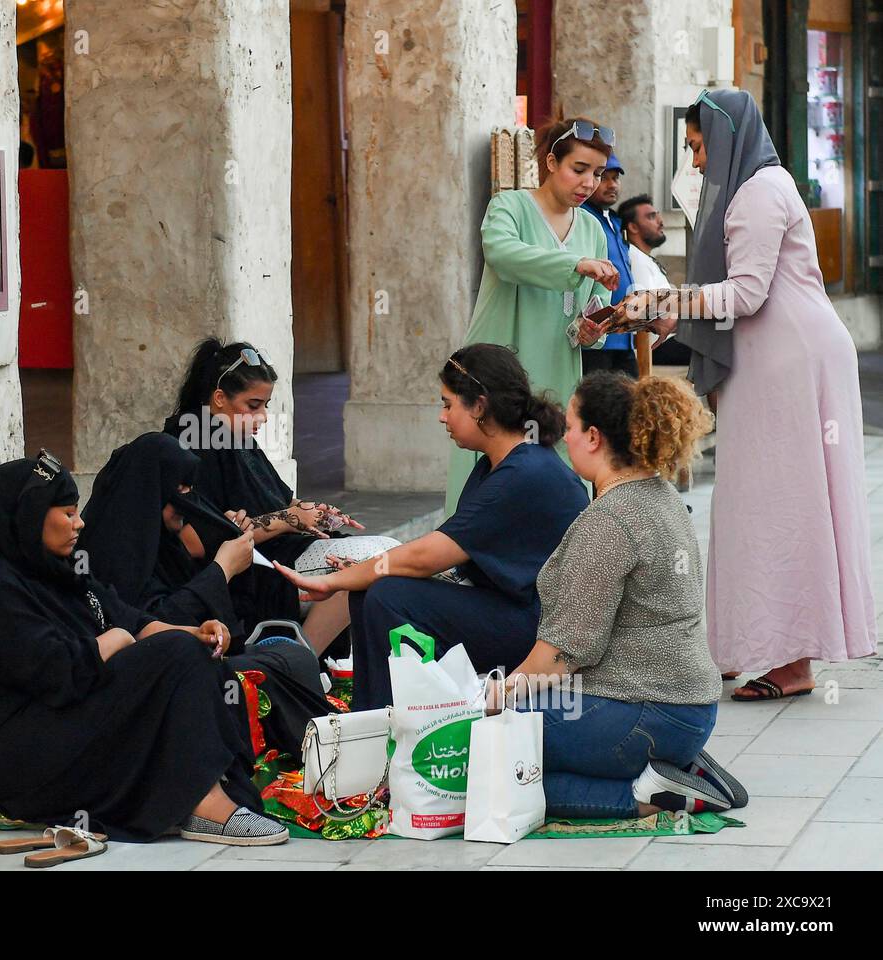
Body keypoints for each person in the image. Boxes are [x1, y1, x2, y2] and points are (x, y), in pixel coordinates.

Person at [630, 89, 876, 700]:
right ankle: (749, 646)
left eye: (698, 146)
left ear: (727, 136)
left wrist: (663, 301)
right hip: (775, 363)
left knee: (782, 505)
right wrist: (671, 314)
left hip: (791, 363)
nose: (696, 162)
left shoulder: (760, 191)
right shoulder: (755, 187)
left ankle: (790, 661)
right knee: (755, 504)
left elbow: (744, 295)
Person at [0, 452, 289, 845]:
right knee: (175, 655)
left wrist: (191, 632)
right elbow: (56, 672)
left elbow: (131, 619)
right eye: (68, 513)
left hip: (67, 719)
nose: (80, 523)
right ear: (27, 516)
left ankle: (205, 787)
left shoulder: (60, 568)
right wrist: (116, 640)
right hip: (25, 754)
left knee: (195, 653)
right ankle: (201, 801)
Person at [276, 345, 588, 711]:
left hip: (540, 631)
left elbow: (428, 557)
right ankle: (383, 719)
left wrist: (334, 580)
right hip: (513, 609)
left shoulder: (523, 472)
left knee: (387, 596)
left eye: (447, 404)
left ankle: (415, 716)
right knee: (375, 591)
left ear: (480, 406)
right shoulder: (503, 463)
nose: (442, 417)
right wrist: (364, 574)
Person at [496, 371, 744, 817]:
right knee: (512, 741)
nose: (564, 437)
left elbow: (562, 654)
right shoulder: (662, 494)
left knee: (494, 763)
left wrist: (495, 697)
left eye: (570, 427)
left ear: (593, 436)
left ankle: (654, 794)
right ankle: (674, 768)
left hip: (641, 713)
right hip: (687, 709)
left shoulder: (610, 520)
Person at [78, 431, 332, 752]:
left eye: (190, 487)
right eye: (180, 489)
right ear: (152, 490)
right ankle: (317, 751)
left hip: (194, 653)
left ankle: (322, 746)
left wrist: (221, 533)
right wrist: (222, 569)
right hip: (159, 674)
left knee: (291, 656)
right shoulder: (115, 550)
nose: (188, 498)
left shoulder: (160, 536)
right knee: (282, 666)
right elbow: (152, 622)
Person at [164, 338, 399, 654]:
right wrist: (289, 520)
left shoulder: (234, 434)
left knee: (390, 555)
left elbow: (273, 501)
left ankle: (312, 668)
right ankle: (293, 668)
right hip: (259, 572)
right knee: (378, 563)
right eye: (254, 405)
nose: (262, 417)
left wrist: (310, 513)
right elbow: (195, 541)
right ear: (219, 398)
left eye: (266, 406)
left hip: (287, 551)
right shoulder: (190, 442)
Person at [447, 115, 620, 512]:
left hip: (558, 366)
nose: (589, 183)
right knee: (490, 458)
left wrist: (594, 329)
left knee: (555, 455)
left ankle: (550, 560)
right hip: (501, 362)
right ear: (551, 164)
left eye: (597, 173)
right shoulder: (509, 206)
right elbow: (503, 255)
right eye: (579, 169)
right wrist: (575, 265)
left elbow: (586, 313)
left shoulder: (593, 229)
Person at [615, 193, 691, 366]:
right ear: (633, 227)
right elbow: (649, 310)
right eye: (651, 217)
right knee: (711, 343)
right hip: (654, 345)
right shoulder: (634, 258)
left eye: (657, 215)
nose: (661, 222)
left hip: (666, 338)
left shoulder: (644, 258)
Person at [580, 153, 638, 377]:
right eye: (604, 178)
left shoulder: (613, 221)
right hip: (597, 337)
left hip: (624, 335)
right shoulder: (582, 218)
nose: (612, 185)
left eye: (616, 178)